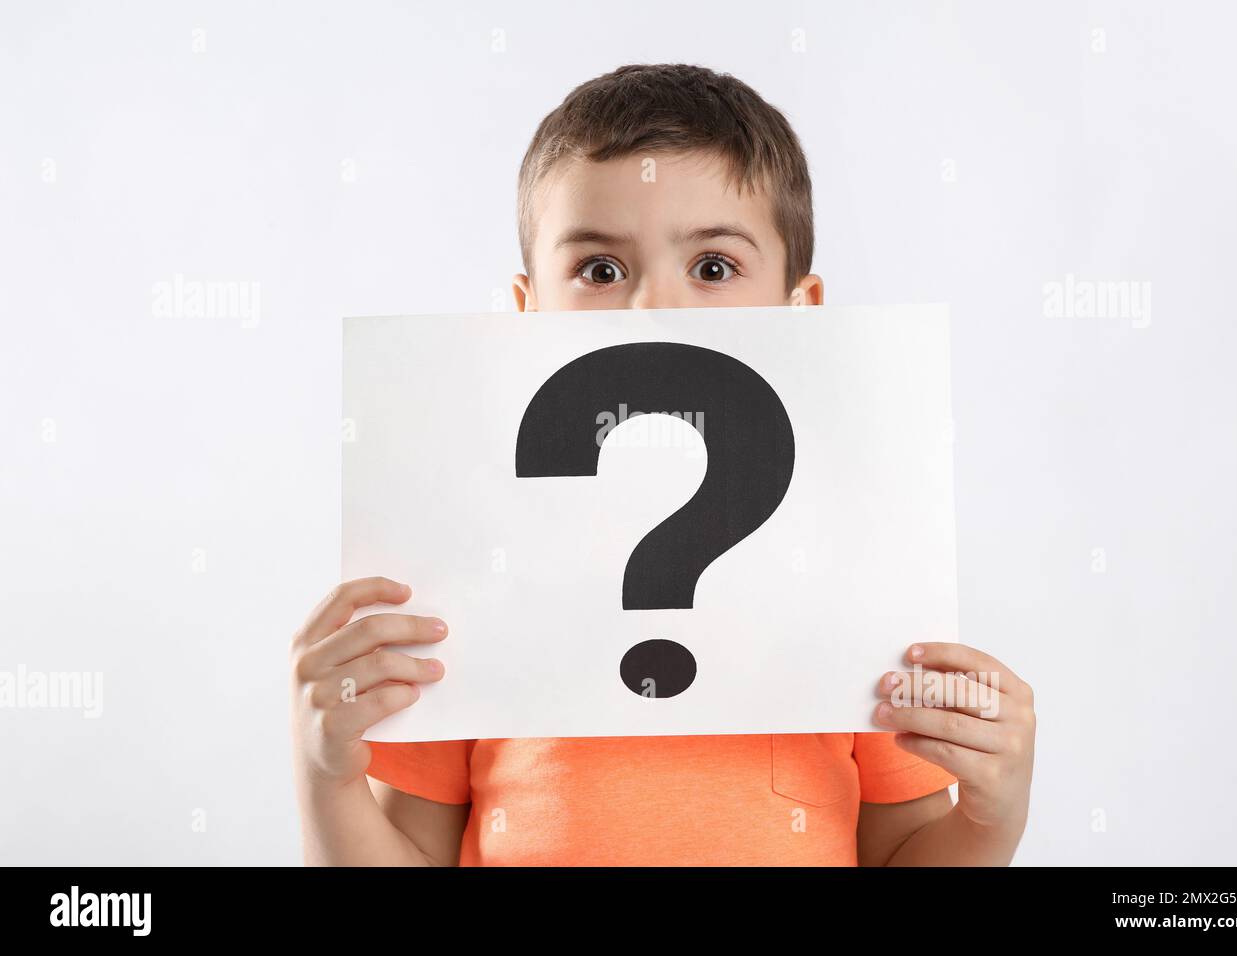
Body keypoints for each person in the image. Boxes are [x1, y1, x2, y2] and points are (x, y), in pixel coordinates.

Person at [290, 64, 1035, 866]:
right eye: (600, 271)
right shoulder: (467, 594)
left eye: (713, 267)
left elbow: (900, 853)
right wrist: (324, 779)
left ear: (801, 311)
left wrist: (990, 821)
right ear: (523, 314)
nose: (655, 309)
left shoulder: (854, 585)